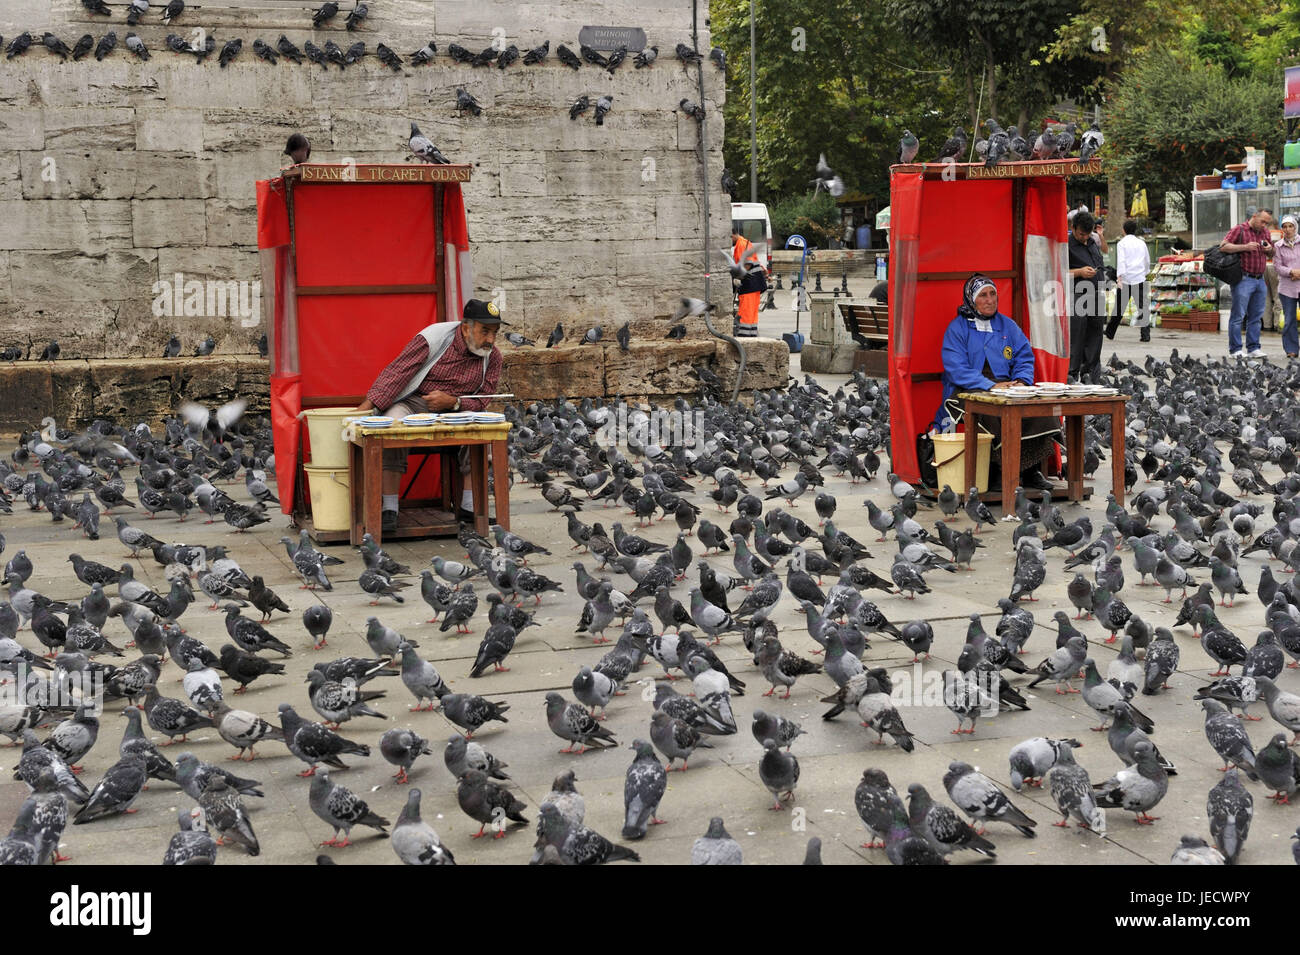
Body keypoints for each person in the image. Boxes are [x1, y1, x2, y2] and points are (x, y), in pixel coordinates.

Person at [356, 299, 504, 530]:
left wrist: (454, 402)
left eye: (495, 333)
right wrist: (365, 408)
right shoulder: (434, 338)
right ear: (466, 328)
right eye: (485, 331)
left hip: (458, 408)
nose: (491, 340)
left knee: (479, 432)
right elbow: (398, 372)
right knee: (392, 426)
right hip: (416, 401)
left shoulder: (493, 357)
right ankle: (388, 509)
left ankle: (468, 507)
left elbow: (484, 398)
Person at [931, 274, 1060, 491]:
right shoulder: (957, 329)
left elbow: (1024, 356)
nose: (990, 300)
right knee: (992, 414)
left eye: (993, 294)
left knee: (1040, 411)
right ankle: (998, 472)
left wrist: (1021, 381)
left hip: (1007, 387)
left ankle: (1029, 470)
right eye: (983, 295)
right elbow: (956, 368)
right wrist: (989, 385)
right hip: (967, 390)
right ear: (972, 300)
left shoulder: (1007, 326)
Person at [1220, 207, 1275, 357]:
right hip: (1243, 279)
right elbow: (1223, 246)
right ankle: (1236, 350)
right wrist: (1245, 247)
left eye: (1267, 222)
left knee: (1256, 316)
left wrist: (1270, 249)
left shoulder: (1265, 232)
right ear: (1254, 216)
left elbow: (1272, 252)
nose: (1264, 225)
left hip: (1260, 279)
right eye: (1263, 221)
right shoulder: (1240, 229)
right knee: (1238, 316)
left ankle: (1253, 348)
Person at [1067, 209, 1106, 382]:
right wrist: (1080, 272)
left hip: (1097, 293)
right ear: (1073, 228)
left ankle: (1090, 372)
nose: (1084, 237)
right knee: (1078, 332)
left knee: (1096, 332)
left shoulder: (1092, 242)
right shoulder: (1065, 245)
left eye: (1087, 234)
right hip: (1077, 294)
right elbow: (1058, 272)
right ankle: (1072, 373)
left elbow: (1103, 254)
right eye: (1081, 234)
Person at [1106, 218, 1151, 343]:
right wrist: (1145, 272)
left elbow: (1121, 262)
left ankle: (1110, 332)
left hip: (1126, 279)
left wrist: (1119, 277)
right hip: (1139, 278)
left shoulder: (1122, 243)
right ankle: (1145, 335)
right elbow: (1147, 260)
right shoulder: (1142, 243)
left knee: (1119, 307)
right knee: (1143, 307)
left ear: (1123, 230)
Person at [731, 227, 765, 337]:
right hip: (754, 284)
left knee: (746, 313)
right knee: (751, 315)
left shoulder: (741, 244)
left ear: (732, 235)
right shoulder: (744, 243)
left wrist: (738, 277)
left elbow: (747, 264)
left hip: (750, 284)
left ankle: (744, 337)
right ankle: (751, 336)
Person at [1275, 215, 1300, 358]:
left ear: (1295, 227)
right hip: (1287, 288)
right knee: (1289, 319)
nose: (1288, 229)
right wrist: (1292, 272)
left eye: (1290, 226)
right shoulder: (1278, 246)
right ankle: (1291, 349)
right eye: (1285, 226)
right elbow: (1278, 266)